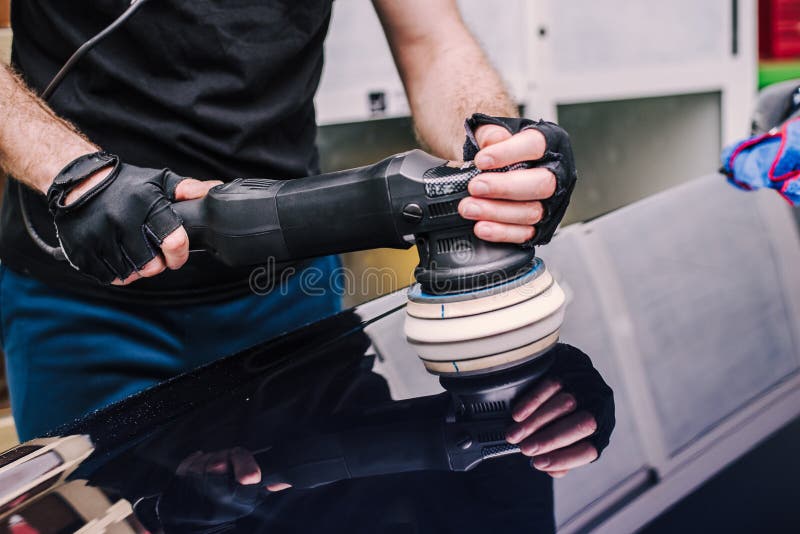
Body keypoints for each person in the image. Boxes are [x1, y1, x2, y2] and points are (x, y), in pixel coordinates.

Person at [0, 0, 604, 480]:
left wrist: (494, 146)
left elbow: (432, 37)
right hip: (78, 303)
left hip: (288, 295)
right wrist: (73, 173)